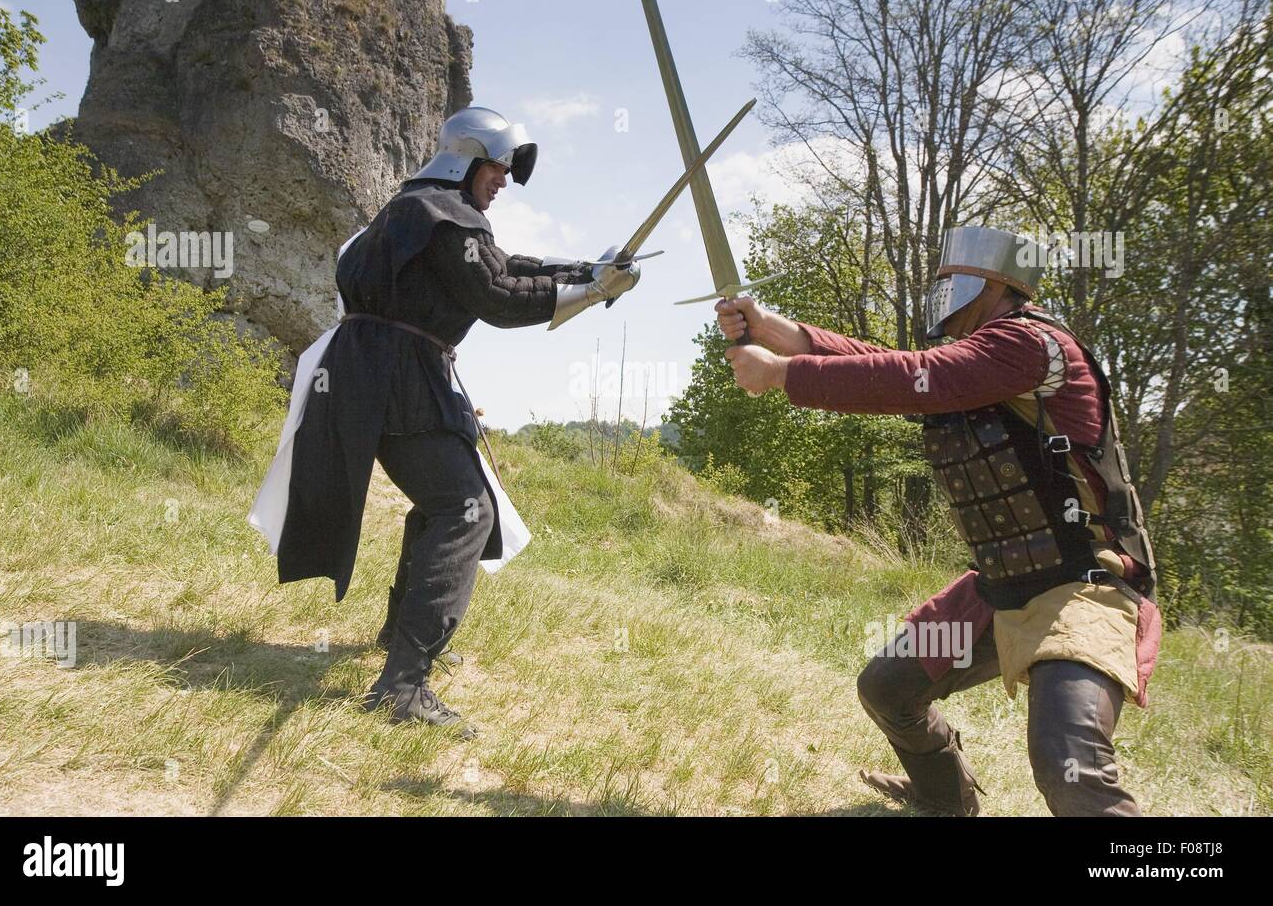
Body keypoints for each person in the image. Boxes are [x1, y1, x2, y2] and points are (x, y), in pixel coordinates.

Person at [715, 226, 1160, 816]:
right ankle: (947, 800)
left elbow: (919, 377)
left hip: (1082, 586)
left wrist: (782, 373)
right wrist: (778, 331)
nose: (945, 291)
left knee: (1067, 761)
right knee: (888, 688)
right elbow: (896, 366)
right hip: (1001, 586)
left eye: (957, 280)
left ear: (997, 285)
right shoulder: (974, 357)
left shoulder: (1030, 345)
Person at [254, 107, 639, 739]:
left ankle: (396, 641)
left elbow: (503, 269)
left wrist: (591, 272)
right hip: (395, 375)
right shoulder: (439, 214)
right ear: (468, 159)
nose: (505, 183)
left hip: (380, 371)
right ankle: (403, 686)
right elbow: (498, 298)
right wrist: (595, 290)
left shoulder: (426, 214)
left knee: (444, 506)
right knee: (464, 510)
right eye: (499, 168)